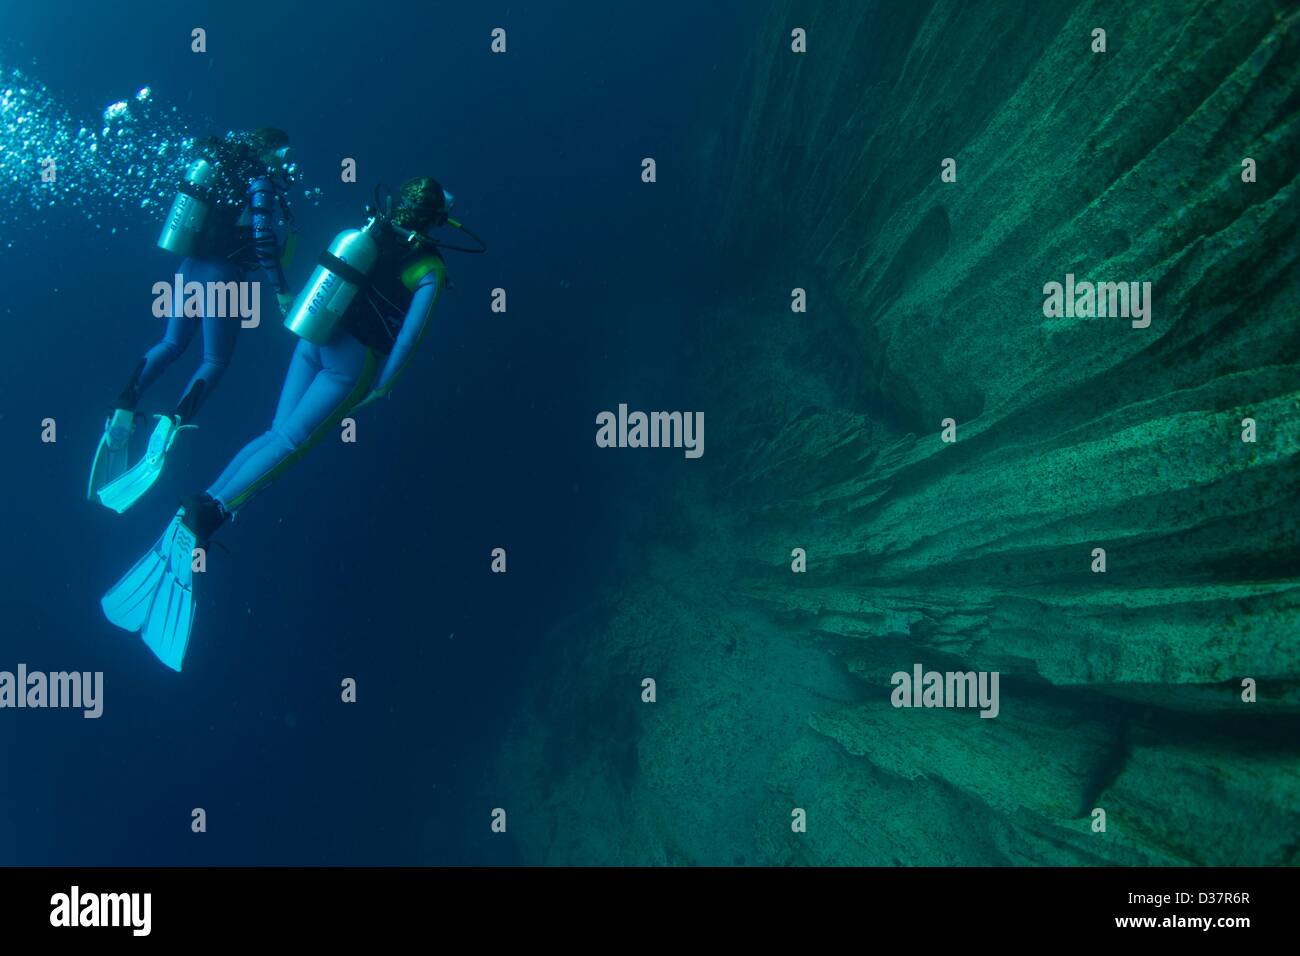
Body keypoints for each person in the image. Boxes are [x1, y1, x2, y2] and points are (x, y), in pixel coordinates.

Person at [100, 176, 483, 671]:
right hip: (352, 362)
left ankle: (202, 503)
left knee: (272, 434)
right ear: (436, 219)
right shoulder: (430, 266)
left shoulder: (369, 229)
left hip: (313, 337)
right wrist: (383, 386)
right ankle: (209, 516)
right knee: (289, 444)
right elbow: (409, 339)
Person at [89, 127, 298, 512]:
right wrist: (280, 289)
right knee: (215, 360)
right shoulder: (260, 180)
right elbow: (263, 236)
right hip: (223, 275)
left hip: (188, 268)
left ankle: (123, 407)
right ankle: (171, 423)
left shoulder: (218, 170)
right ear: (271, 150)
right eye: (282, 154)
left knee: (170, 344)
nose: (284, 162)